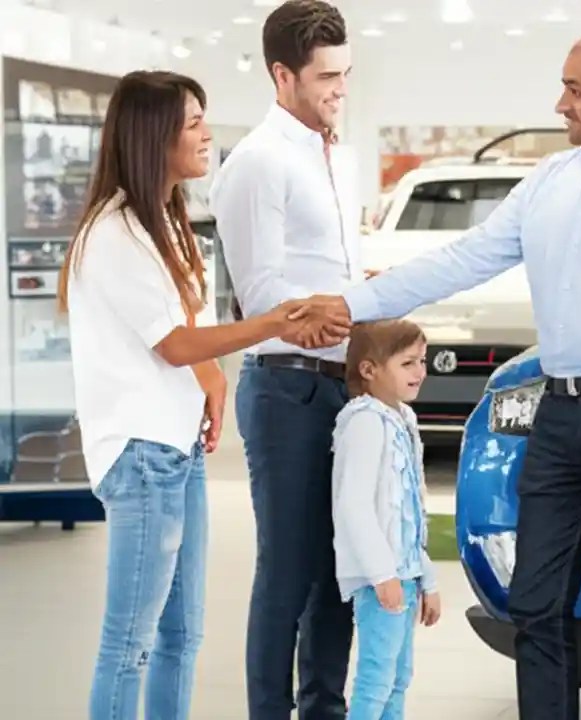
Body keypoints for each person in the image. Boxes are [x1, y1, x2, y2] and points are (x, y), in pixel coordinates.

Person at [296, 26, 581, 720]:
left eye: (574, 90)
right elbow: (463, 259)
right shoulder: (549, 181)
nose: (560, 103)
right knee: (535, 604)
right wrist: (350, 305)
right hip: (559, 416)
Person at [60, 70, 307, 720]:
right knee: (130, 643)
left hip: (177, 451)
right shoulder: (114, 235)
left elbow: (184, 327)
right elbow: (172, 343)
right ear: (153, 135)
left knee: (181, 636)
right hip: (142, 459)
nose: (206, 134)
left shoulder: (161, 226)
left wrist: (212, 377)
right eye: (194, 122)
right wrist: (275, 324)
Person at [207, 1, 360, 717]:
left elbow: (341, 273)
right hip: (285, 391)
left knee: (339, 571)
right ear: (281, 74)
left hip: (344, 384)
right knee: (288, 573)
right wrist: (348, 312)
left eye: (346, 73)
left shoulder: (338, 156)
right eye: (327, 75)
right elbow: (263, 292)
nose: (340, 88)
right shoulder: (258, 164)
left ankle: (322, 710)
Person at [332, 319, 442, 720]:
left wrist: (425, 579)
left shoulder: (403, 420)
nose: (420, 372)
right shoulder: (364, 422)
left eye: (422, 361)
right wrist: (382, 574)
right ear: (369, 370)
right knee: (376, 681)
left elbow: (412, 508)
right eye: (408, 362)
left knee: (398, 678)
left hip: (405, 573)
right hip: (382, 577)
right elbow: (354, 505)